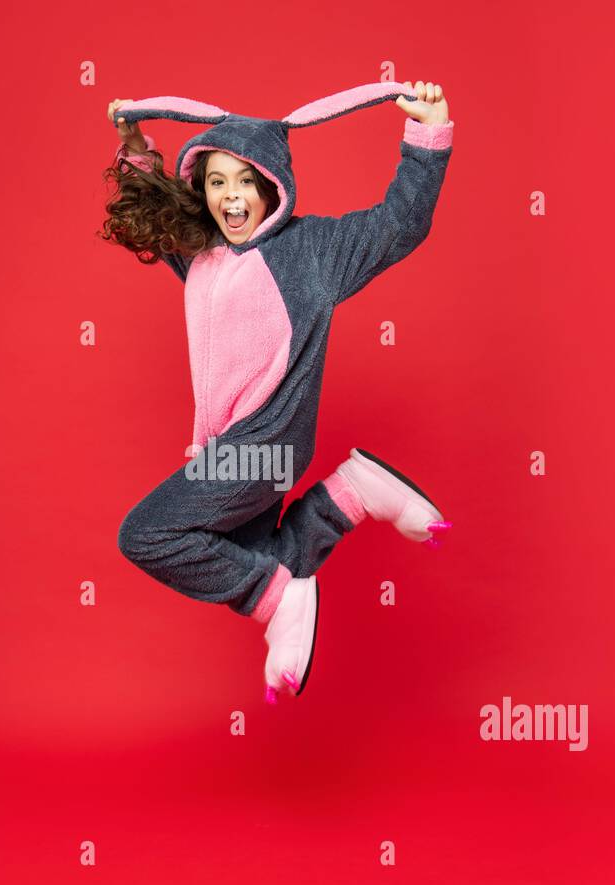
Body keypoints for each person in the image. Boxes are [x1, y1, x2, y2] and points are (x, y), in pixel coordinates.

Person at [100, 81, 455, 704]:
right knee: (268, 555)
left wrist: (426, 135)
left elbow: (401, 225)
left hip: (267, 443)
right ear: (201, 188)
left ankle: (280, 604)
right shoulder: (203, 251)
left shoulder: (312, 252)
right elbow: (155, 226)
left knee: (148, 536)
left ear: (271, 184)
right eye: (216, 182)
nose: (231, 198)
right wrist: (133, 147)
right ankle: (351, 493)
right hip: (233, 446)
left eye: (245, 181)